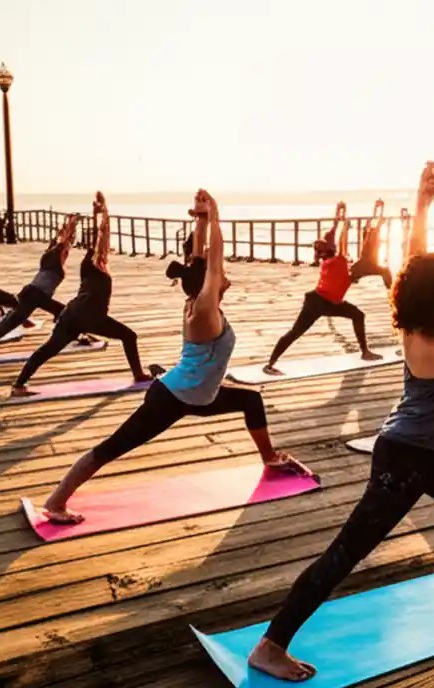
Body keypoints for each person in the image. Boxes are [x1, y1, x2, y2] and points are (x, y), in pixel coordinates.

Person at [246, 162, 434, 682]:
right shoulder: (432, 336)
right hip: (405, 459)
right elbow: (433, 253)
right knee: (346, 553)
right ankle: (270, 646)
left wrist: (433, 197)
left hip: (431, 454)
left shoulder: (433, 326)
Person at [34, 191, 309, 524]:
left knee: (251, 401)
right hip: (172, 398)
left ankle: (269, 458)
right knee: (113, 447)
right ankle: (56, 501)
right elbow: (213, 260)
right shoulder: (205, 308)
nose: (223, 273)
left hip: (198, 394)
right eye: (217, 273)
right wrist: (217, 214)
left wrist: (202, 221)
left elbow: (199, 258)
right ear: (210, 282)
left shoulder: (198, 298)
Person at [10, 192, 152, 397]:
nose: (106, 251)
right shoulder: (97, 264)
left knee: (48, 350)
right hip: (91, 317)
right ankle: (138, 374)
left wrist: (98, 214)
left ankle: (19, 383)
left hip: (72, 314)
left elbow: (100, 238)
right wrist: (104, 212)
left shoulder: (89, 266)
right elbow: (101, 236)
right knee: (129, 336)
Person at [263, 202, 382, 375]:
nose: (332, 244)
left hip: (329, 302)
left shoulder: (327, 260)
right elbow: (341, 241)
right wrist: (346, 226)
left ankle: (365, 352)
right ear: (330, 250)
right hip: (318, 302)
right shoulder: (338, 260)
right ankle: (270, 364)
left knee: (357, 315)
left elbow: (334, 235)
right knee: (296, 332)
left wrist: (339, 216)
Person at [0, 214, 81, 364]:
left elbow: (62, 238)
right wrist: (72, 223)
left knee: (62, 313)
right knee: (13, 321)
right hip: (36, 295)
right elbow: (64, 239)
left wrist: (67, 226)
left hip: (35, 294)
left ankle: (78, 334)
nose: (69, 248)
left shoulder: (51, 253)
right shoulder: (55, 256)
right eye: (67, 246)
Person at [348, 199, 393, 289]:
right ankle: (390, 287)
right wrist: (379, 209)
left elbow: (374, 223)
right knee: (386, 272)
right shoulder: (371, 235)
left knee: (352, 272)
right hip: (369, 265)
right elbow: (376, 223)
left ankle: (353, 278)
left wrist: (377, 209)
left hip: (364, 264)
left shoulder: (368, 235)